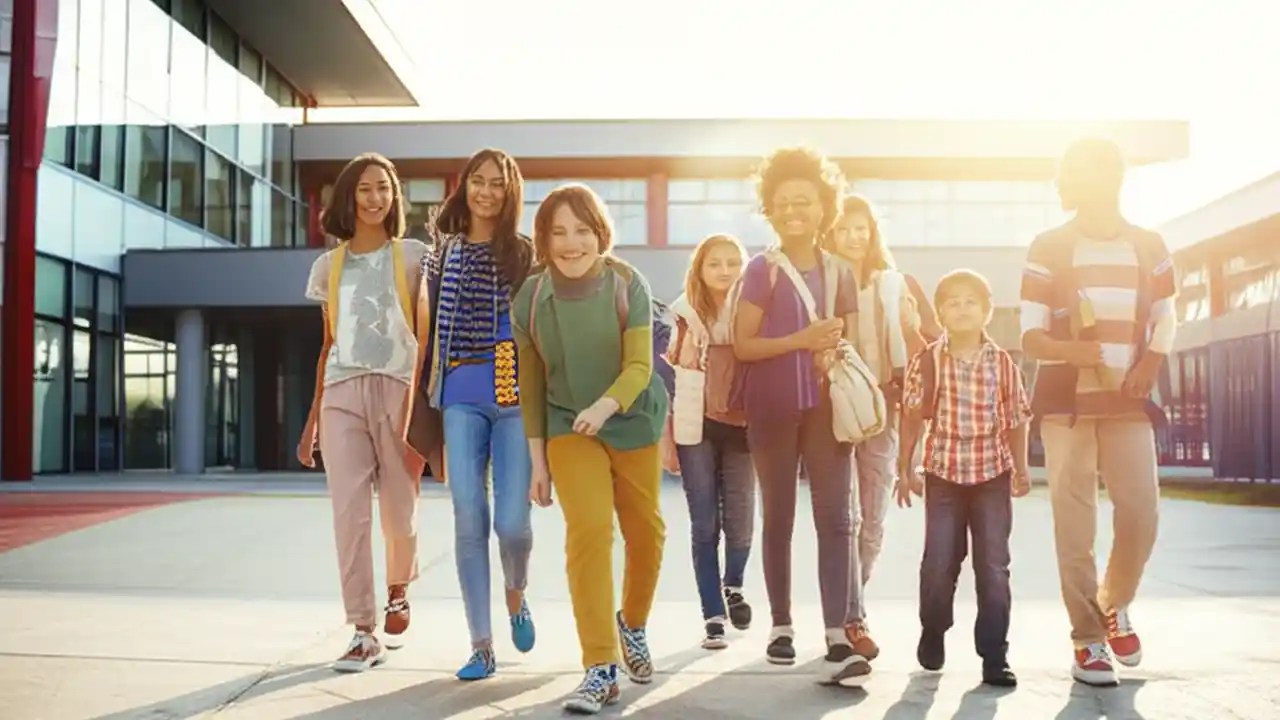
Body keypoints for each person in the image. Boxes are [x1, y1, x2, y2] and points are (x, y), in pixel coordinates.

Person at [1021, 137, 1176, 686]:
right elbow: (1031, 336)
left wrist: (1151, 363)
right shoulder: (1048, 246)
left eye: (1091, 170)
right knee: (1075, 523)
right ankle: (1087, 640)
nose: (1080, 181)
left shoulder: (1148, 243)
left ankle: (1115, 603)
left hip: (1128, 400)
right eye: (1073, 173)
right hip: (1066, 405)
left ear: (1113, 176)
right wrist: (1073, 353)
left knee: (1141, 513)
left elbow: (1165, 314)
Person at [511, 183, 668, 714]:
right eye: (558, 232)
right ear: (544, 239)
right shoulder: (531, 298)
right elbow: (530, 385)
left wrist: (604, 407)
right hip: (565, 425)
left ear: (600, 234)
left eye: (582, 229)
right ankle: (600, 666)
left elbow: (640, 366)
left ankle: (633, 623)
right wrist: (537, 460)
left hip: (631, 420)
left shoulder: (629, 283)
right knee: (590, 531)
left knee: (645, 532)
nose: (571, 242)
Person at [731, 147, 870, 687]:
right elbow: (743, 344)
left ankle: (837, 633)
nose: (794, 211)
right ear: (770, 209)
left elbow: (848, 339)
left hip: (827, 410)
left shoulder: (841, 272)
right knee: (781, 519)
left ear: (823, 207)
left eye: (804, 202)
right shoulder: (761, 270)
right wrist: (801, 341)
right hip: (771, 407)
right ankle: (782, 626)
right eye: (783, 203)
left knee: (836, 521)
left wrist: (828, 350)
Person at [297, 152, 432, 672]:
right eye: (366, 189)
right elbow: (329, 342)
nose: (376, 198)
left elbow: (427, 333)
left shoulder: (414, 255)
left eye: (385, 188)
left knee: (399, 510)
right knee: (348, 515)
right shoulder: (327, 266)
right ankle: (361, 630)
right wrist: (312, 420)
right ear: (349, 198)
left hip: (399, 389)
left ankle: (399, 587)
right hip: (341, 394)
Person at [421, 148, 537, 681]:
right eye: (478, 181)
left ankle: (517, 595)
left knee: (512, 524)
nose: (486, 192)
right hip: (459, 391)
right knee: (469, 516)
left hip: (512, 387)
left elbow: (539, 326)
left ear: (510, 192)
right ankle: (481, 645)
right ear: (464, 184)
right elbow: (424, 329)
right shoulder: (441, 251)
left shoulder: (523, 251)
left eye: (497, 184)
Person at [897, 269, 1031, 688]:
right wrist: (905, 468)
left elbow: (1017, 419)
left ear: (987, 312)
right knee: (939, 562)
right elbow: (912, 415)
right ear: (939, 312)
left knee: (993, 566)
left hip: (992, 471)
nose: (961, 308)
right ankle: (933, 629)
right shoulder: (928, 359)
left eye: (971, 301)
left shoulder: (1003, 362)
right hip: (943, 472)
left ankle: (994, 655)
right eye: (952, 302)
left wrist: (1021, 468)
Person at [663, 233, 756, 649]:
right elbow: (667, 381)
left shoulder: (755, 315)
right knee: (705, 525)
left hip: (742, 426)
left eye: (732, 262)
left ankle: (733, 584)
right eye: (714, 263)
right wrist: (667, 439)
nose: (724, 270)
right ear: (699, 268)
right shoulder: (683, 314)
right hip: (694, 427)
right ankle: (713, 615)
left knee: (741, 521)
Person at [825, 196, 923, 590]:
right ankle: (844, 604)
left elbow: (914, 340)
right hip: (833, 405)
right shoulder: (822, 281)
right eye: (844, 229)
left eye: (861, 228)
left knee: (874, 511)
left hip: (882, 404)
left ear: (872, 232)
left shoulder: (892, 283)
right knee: (841, 512)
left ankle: (855, 598)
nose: (854, 236)